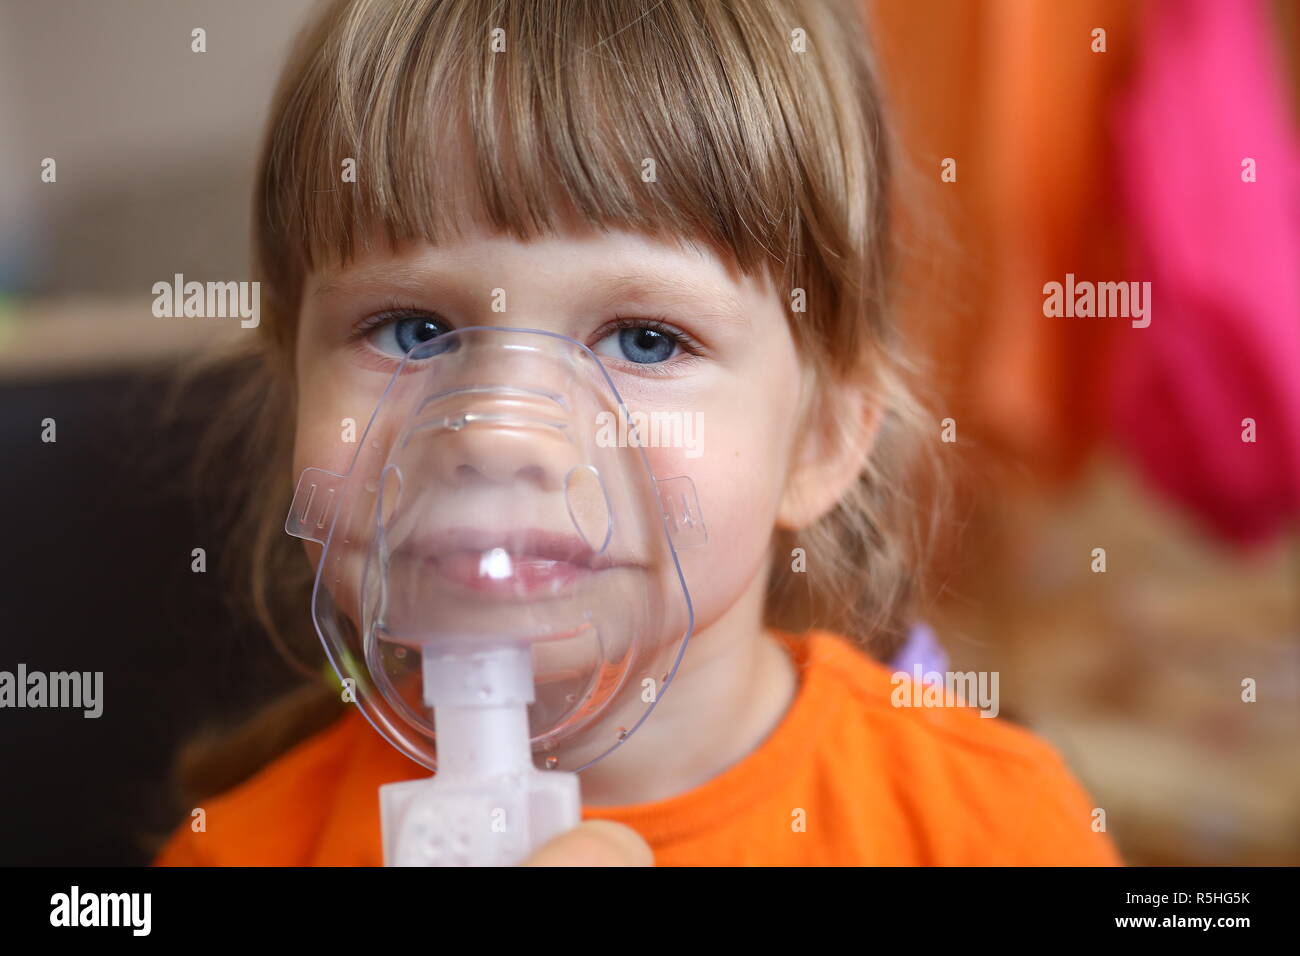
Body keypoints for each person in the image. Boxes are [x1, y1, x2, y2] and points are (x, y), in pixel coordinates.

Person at [153, 0, 1121, 866]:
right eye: (412, 328)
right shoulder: (241, 851)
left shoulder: (993, 829)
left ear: (823, 435)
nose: (497, 435)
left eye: (645, 338)